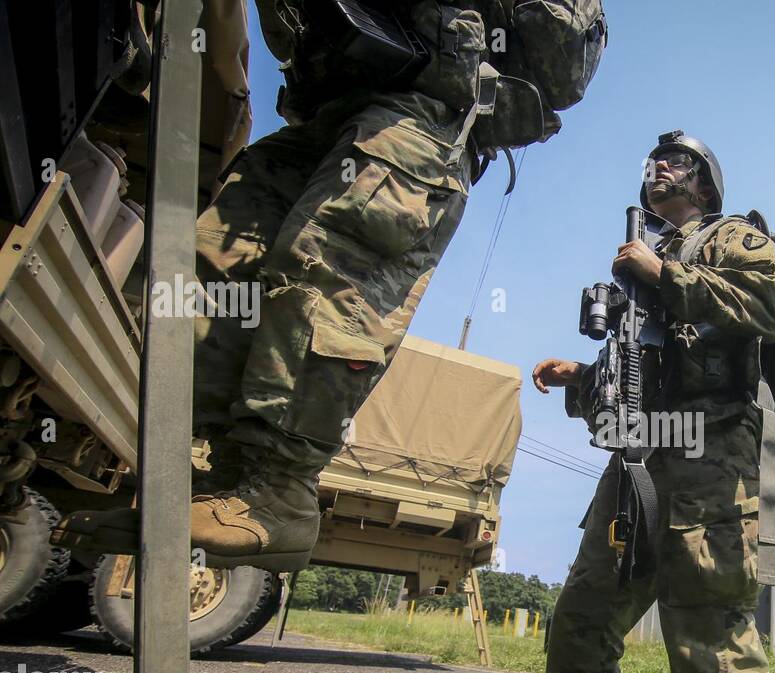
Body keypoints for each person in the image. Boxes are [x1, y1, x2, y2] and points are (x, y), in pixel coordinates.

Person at [52, 0, 605, 571]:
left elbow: (564, 63)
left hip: (417, 120)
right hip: (324, 114)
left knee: (322, 277)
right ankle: (213, 481)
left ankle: (278, 491)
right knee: (215, 268)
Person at [505, 131, 775, 673]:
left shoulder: (734, 237)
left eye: (678, 162)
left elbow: (771, 307)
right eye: (654, 160)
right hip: (634, 465)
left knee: (711, 650)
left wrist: (664, 271)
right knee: (579, 624)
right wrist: (583, 376)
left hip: (710, 461)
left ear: (705, 185)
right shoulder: (642, 265)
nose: (658, 168)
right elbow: (642, 371)